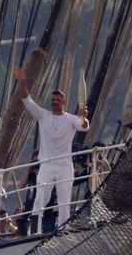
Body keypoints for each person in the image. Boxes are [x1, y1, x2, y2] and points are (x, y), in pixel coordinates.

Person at [14, 65, 90, 233]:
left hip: (65, 166)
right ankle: (35, 230)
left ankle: (64, 228)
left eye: (58, 100)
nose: (55, 102)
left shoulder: (71, 119)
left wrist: (84, 118)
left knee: (64, 200)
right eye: (53, 100)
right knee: (41, 197)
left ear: (64, 102)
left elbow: (83, 126)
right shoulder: (43, 115)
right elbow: (27, 101)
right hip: (47, 164)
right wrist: (22, 82)